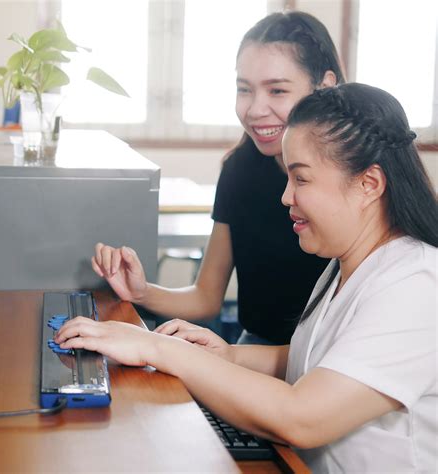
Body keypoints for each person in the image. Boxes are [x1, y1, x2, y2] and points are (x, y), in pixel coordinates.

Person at [55, 83, 437, 472]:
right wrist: (230, 354)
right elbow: (325, 359)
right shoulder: (347, 263)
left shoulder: (416, 284)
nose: (286, 196)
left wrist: (159, 349)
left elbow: (302, 418)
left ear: (368, 184)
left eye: (301, 179)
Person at [91, 11, 346, 345]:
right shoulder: (240, 170)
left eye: (277, 91)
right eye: (245, 89)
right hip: (258, 345)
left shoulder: (356, 176)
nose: (255, 109)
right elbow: (206, 297)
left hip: (335, 357)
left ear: (324, 87)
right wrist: (140, 291)